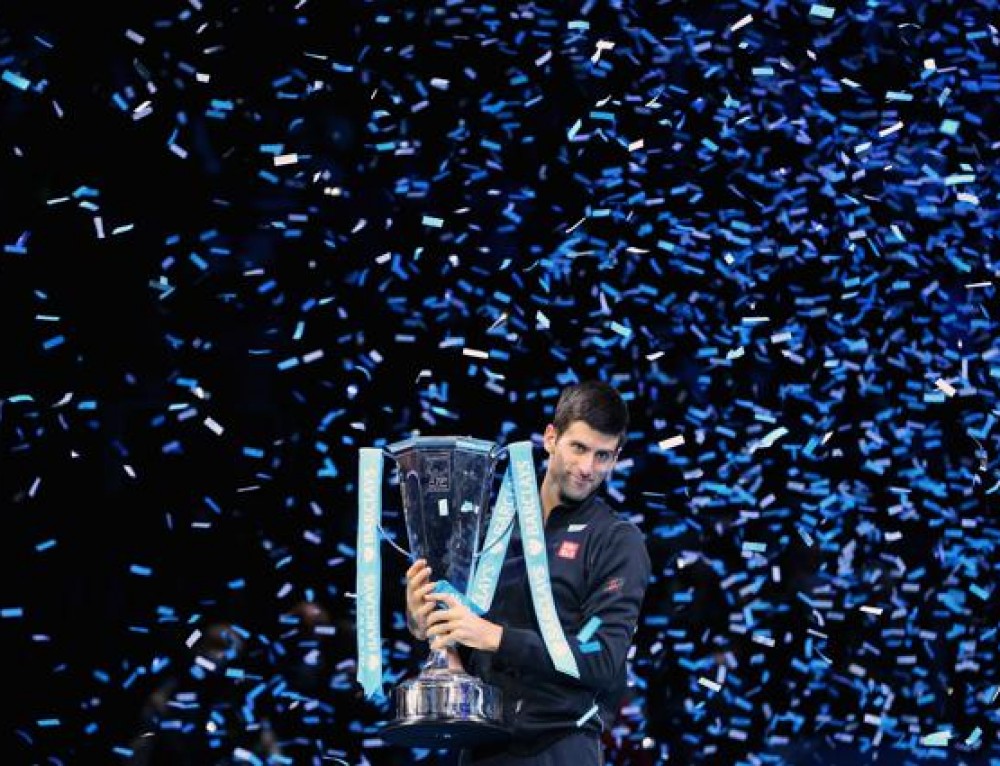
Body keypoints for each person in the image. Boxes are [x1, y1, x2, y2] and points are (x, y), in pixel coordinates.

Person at [405, 379, 652, 765]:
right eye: (579, 448)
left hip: (558, 747)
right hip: (480, 741)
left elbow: (600, 656)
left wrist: (496, 638)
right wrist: (428, 625)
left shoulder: (617, 541)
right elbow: (460, 628)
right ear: (551, 438)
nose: (588, 468)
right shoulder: (493, 526)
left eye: (603, 456)